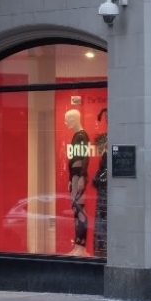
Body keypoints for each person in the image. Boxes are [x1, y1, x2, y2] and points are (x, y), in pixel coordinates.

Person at [65, 109, 90, 256]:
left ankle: (81, 246)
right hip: (74, 175)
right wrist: (71, 179)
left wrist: (81, 176)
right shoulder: (77, 136)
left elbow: (85, 157)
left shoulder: (82, 136)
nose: (66, 123)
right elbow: (74, 158)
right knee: (76, 209)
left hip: (78, 174)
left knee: (79, 209)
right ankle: (78, 245)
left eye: (68, 119)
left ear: (74, 119)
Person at [92, 108, 109, 257]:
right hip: (104, 188)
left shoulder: (112, 140)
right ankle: (102, 249)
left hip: (109, 188)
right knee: (103, 218)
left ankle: (105, 249)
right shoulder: (104, 140)